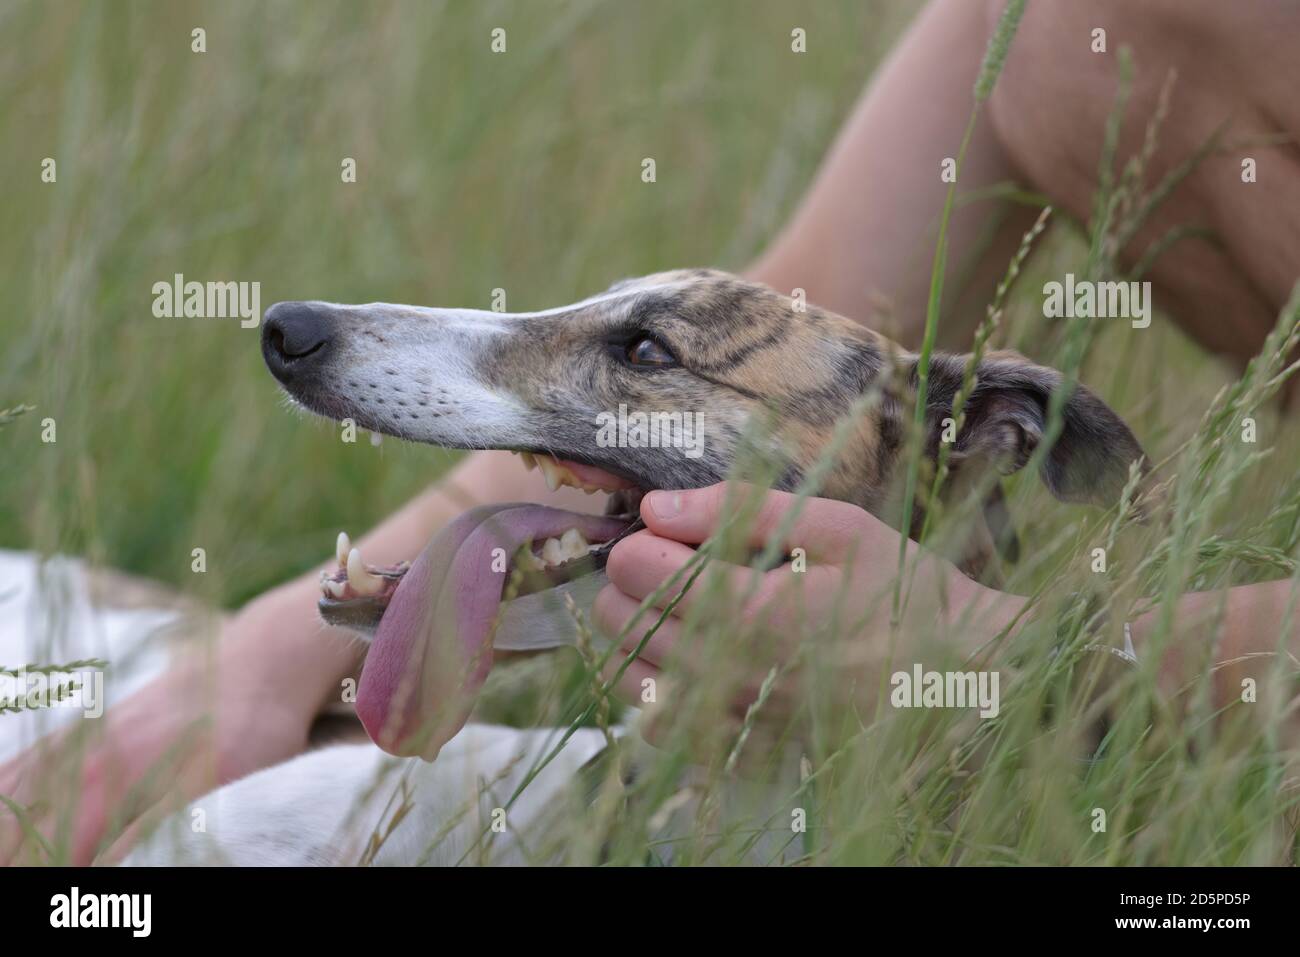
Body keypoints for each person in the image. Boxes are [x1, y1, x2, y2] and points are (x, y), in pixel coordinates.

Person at [3, 0, 1296, 865]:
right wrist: (261, 658)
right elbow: (819, 304)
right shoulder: (1046, 23)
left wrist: (1021, 660)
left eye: (634, 351)